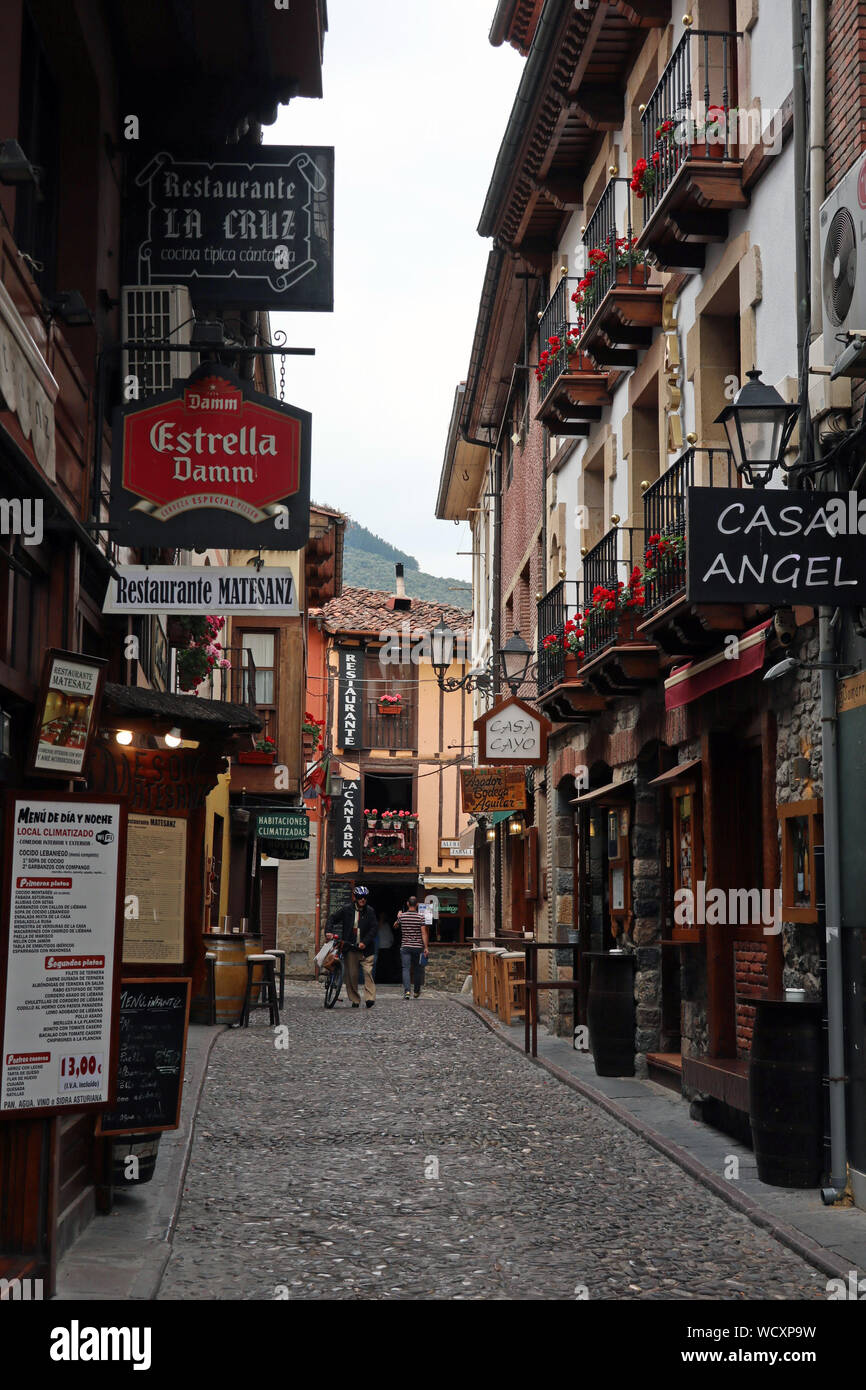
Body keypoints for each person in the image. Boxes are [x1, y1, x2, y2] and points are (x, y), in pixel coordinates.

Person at [327, 885, 377, 1008]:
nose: (362, 900)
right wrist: (328, 931)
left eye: (365, 897)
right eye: (360, 897)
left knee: (368, 972)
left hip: (366, 949)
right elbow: (332, 918)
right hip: (350, 948)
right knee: (352, 975)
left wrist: (365, 941)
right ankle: (355, 999)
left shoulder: (370, 911)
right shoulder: (346, 910)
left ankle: (370, 998)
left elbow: (374, 928)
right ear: (355, 897)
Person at [396, 896, 429, 999]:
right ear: (417, 905)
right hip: (418, 947)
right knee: (417, 969)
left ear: (407, 904)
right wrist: (426, 947)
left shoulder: (402, 916)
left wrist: (398, 916)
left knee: (406, 969)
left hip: (405, 946)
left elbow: (395, 926)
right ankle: (416, 991)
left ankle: (407, 992)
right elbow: (424, 933)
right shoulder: (420, 917)